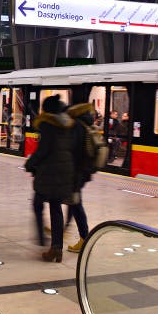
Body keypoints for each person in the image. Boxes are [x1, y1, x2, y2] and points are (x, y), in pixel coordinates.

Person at [24, 96, 75, 262]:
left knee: (38, 203)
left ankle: (44, 240)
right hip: (65, 171)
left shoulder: (48, 125)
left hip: (50, 172)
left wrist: (30, 163)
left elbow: (43, 150)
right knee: (56, 208)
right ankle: (56, 248)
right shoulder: (67, 125)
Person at [65, 102, 95, 253]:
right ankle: (69, 228)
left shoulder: (77, 126)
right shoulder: (86, 124)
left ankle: (84, 238)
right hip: (83, 171)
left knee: (76, 204)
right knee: (74, 202)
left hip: (76, 172)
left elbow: (73, 151)